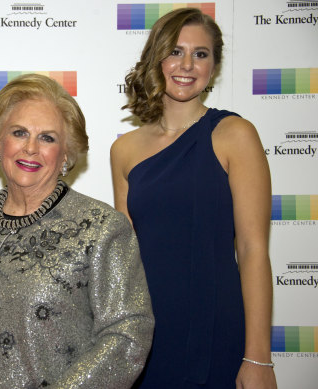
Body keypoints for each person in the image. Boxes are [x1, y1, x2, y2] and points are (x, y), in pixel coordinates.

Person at [0, 73, 154, 389]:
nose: (30, 148)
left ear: (66, 154)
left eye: (47, 138)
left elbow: (128, 334)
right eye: (19, 133)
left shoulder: (101, 227)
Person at [110, 8, 277, 389]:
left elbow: (253, 250)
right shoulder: (125, 150)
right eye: (175, 51)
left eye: (200, 54)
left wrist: (258, 358)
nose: (187, 64)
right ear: (156, 58)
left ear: (214, 65)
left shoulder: (235, 134)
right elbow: (126, 257)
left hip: (214, 327)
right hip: (146, 333)